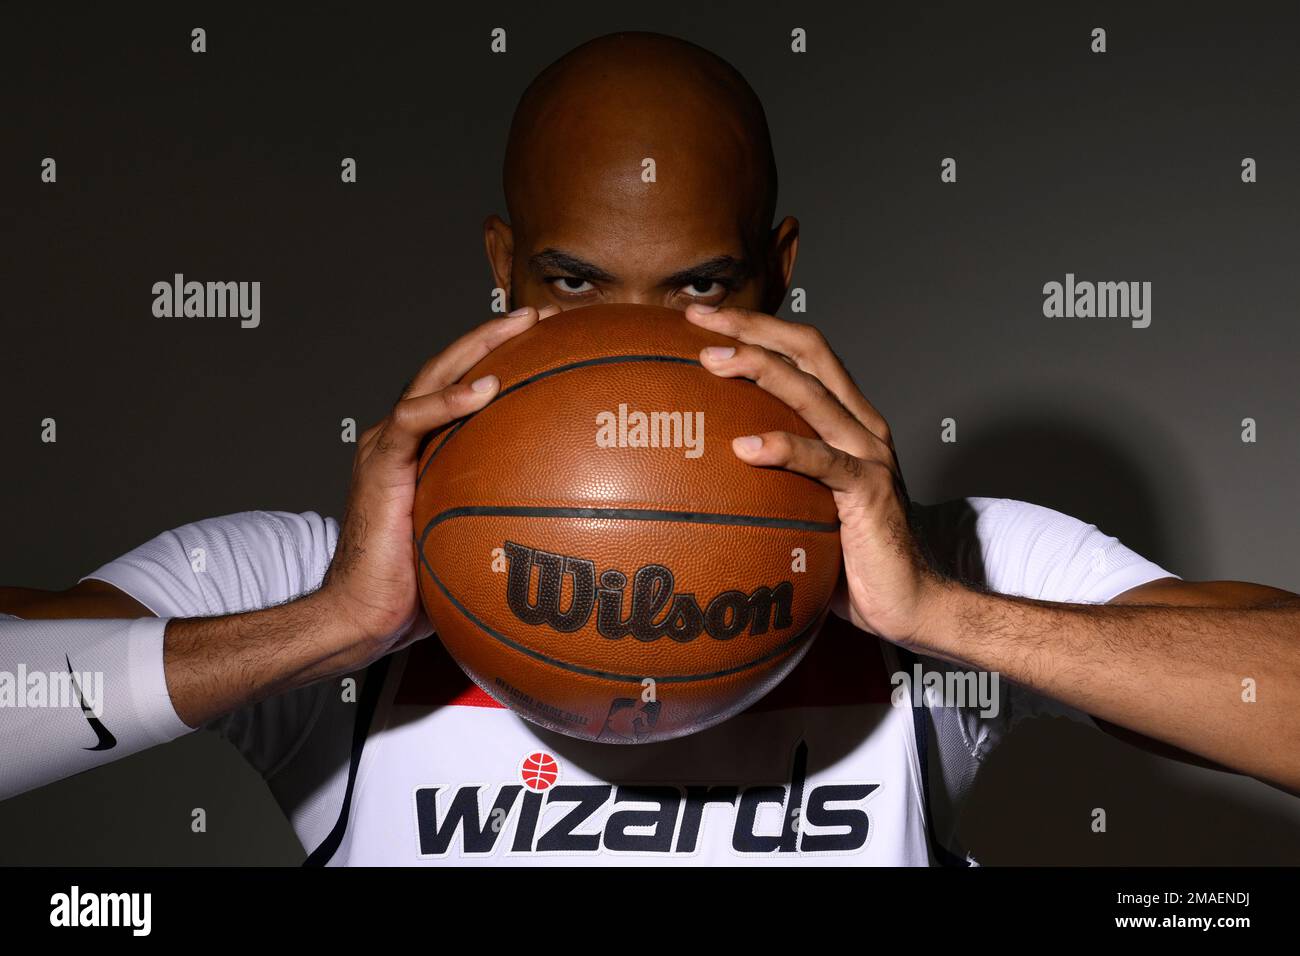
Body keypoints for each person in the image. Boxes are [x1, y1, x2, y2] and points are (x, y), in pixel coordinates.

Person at [2, 33, 1297, 866]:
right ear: (501, 267)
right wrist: (332, 629)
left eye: (696, 290)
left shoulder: (945, 570)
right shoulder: (302, 577)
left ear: (780, 278)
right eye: (572, 283)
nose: (632, 343)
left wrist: (952, 619)